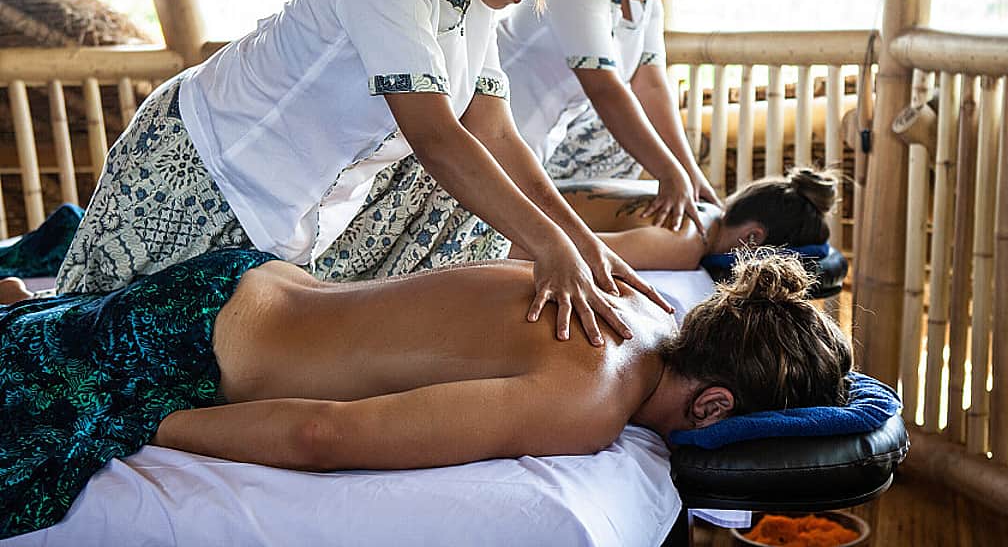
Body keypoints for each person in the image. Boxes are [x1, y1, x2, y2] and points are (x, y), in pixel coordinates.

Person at [55, 0, 667, 346]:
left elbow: (497, 134)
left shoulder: (477, 0)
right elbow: (437, 139)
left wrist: (581, 244)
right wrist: (547, 245)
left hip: (292, 214)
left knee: (483, 204)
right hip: (200, 167)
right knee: (88, 345)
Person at [0, 249, 852, 538]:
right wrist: (143, 423)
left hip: (240, 281)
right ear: (712, 408)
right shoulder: (589, 400)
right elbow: (323, 439)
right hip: (186, 347)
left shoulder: (628, 300)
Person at [496, 0, 716, 234]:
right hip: (503, 125)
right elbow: (606, 89)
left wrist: (689, 171)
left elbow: (651, 86)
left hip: (543, 137)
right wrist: (666, 170)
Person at [510, 167, 839, 271]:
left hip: (507, 192)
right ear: (753, 238)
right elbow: (552, 251)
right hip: (493, 224)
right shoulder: (686, 242)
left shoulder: (700, 206)